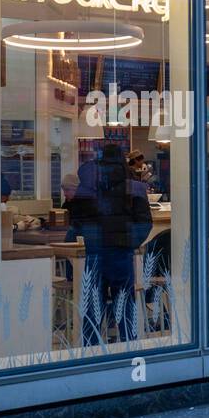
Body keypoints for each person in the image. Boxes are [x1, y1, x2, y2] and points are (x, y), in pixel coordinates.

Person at [71, 145, 152, 345]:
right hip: (121, 253)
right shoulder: (134, 187)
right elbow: (145, 222)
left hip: (95, 252)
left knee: (92, 304)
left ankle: (91, 351)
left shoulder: (88, 186)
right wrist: (129, 242)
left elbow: (77, 219)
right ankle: (128, 347)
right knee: (125, 303)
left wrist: (92, 240)